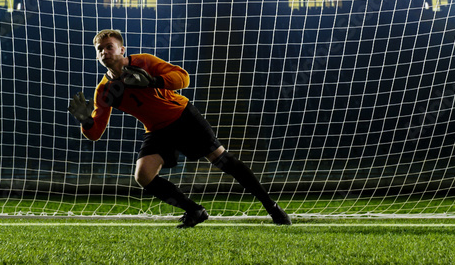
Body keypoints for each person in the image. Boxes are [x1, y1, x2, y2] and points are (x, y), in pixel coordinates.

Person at [69, 29, 291, 228]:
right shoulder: (104, 91)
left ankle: (272, 207)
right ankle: (194, 210)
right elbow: (95, 133)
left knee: (222, 161)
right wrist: (86, 121)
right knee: (143, 175)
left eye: (109, 47)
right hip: (157, 130)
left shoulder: (143, 61)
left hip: (183, 117)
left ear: (121, 49)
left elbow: (183, 78)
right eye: (100, 49)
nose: (105, 52)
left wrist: (153, 81)